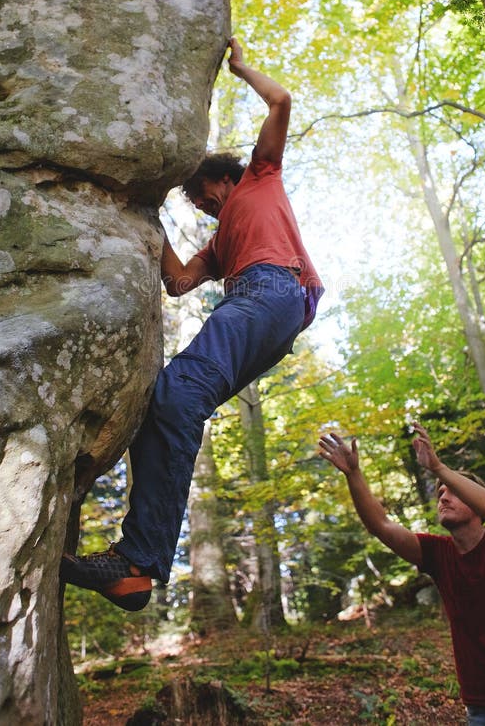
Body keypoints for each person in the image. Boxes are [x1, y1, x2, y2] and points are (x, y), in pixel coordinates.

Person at [61, 38, 323, 611]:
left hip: (276, 288)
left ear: (226, 180)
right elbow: (178, 281)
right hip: (258, 302)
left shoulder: (260, 177)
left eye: (206, 198)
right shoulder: (218, 243)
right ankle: (133, 567)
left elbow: (280, 103)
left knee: (179, 393)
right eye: (200, 208)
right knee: (165, 406)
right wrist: (143, 216)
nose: (205, 209)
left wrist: (241, 67)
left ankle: (140, 559)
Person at [318, 425, 485, 725]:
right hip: (483, 709)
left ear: (478, 504)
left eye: (453, 491)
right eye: (440, 492)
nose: (443, 496)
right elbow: (381, 526)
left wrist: (438, 468)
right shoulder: (437, 554)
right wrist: (353, 474)